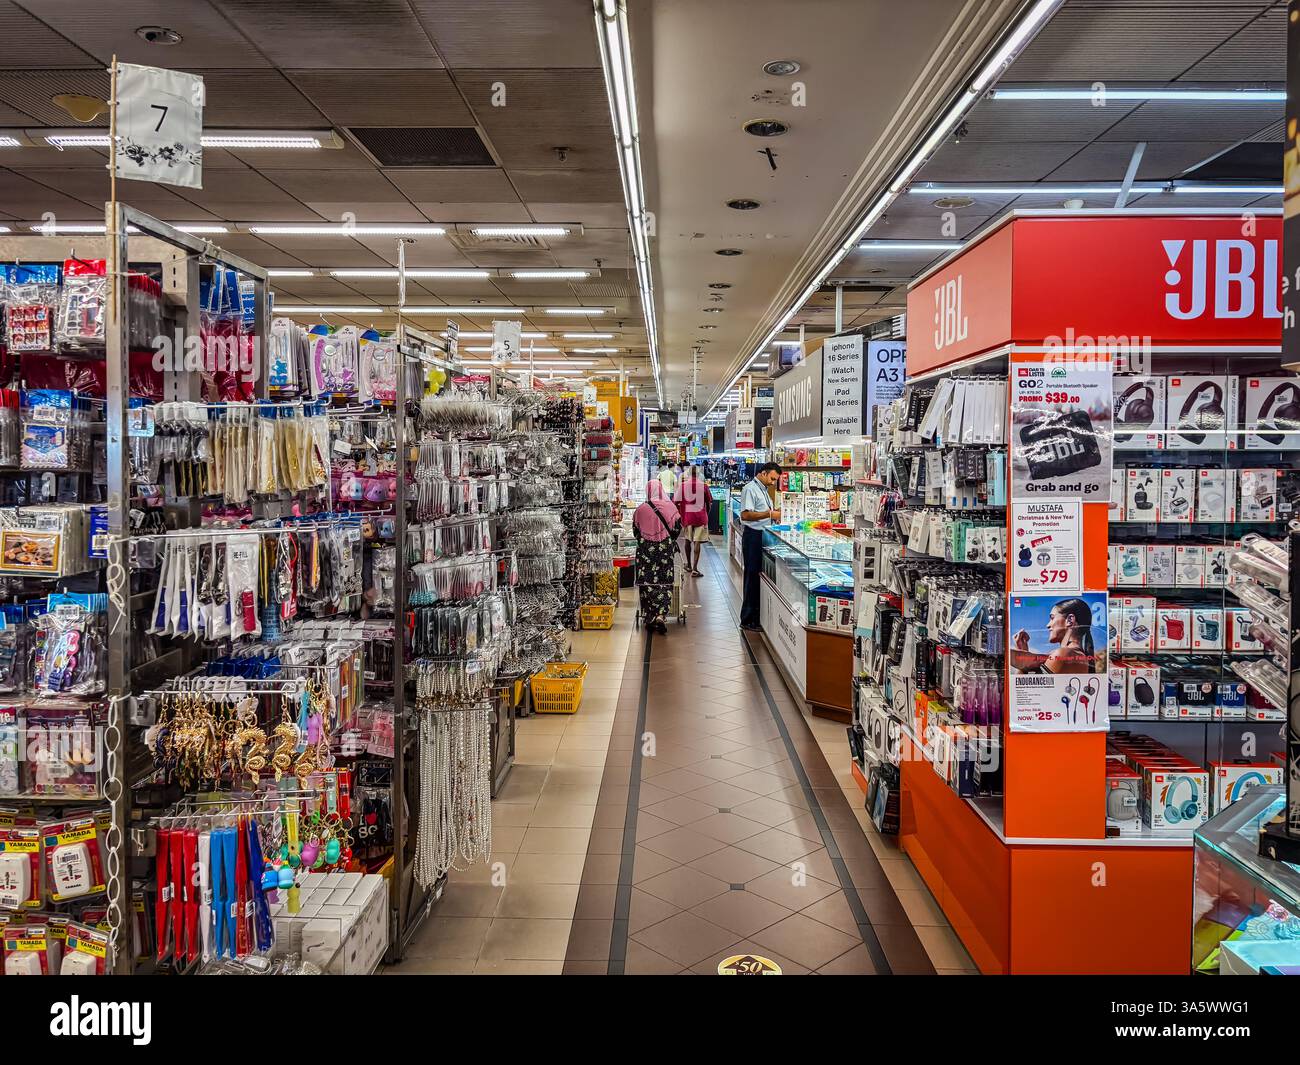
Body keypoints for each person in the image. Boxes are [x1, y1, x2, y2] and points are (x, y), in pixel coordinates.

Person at [633, 479, 682, 634]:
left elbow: (636, 532)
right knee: (664, 581)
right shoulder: (671, 507)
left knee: (647, 582)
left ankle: (650, 616)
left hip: (645, 551)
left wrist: (648, 539)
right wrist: (665, 538)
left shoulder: (640, 509)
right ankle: (661, 615)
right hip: (665, 550)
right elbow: (677, 529)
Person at [738, 461, 782, 631]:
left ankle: (756, 617)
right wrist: (770, 513)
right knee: (751, 578)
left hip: (762, 536)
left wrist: (774, 512)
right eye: (772, 478)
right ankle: (747, 619)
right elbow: (746, 515)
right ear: (763, 473)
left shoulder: (763, 489)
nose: (773, 482)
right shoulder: (750, 489)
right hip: (753, 537)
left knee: (757, 577)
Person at [1010, 596, 1097, 674]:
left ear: (1070, 620)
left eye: (1052, 618)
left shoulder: (1064, 654)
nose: (1048, 625)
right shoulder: (1074, 655)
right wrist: (1023, 650)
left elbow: (1024, 689)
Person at [674, 464, 713, 577]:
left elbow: (675, 502)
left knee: (687, 540)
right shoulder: (704, 486)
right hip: (701, 517)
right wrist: (706, 514)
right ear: (699, 474)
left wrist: (680, 514)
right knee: (697, 541)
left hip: (687, 517)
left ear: (689, 473)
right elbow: (709, 502)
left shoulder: (683, 486)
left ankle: (689, 565)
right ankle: (695, 569)